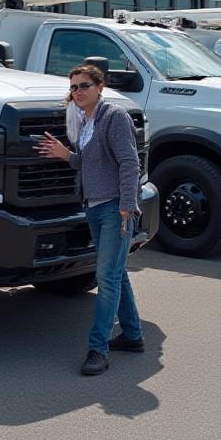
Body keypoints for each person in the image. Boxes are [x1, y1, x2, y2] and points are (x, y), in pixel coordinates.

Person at [36, 64, 144, 375]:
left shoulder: (114, 116)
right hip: (94, 207)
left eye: (84, 85)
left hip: (114, 209)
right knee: (116, 273)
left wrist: (127, 205)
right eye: (74, 87)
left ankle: (98, 348)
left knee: (106, 279)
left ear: (100, 87)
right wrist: (65, 155)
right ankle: (134, 336)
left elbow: (128, 162)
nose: (78, 92)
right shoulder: (86, 121)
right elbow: (88, 163)